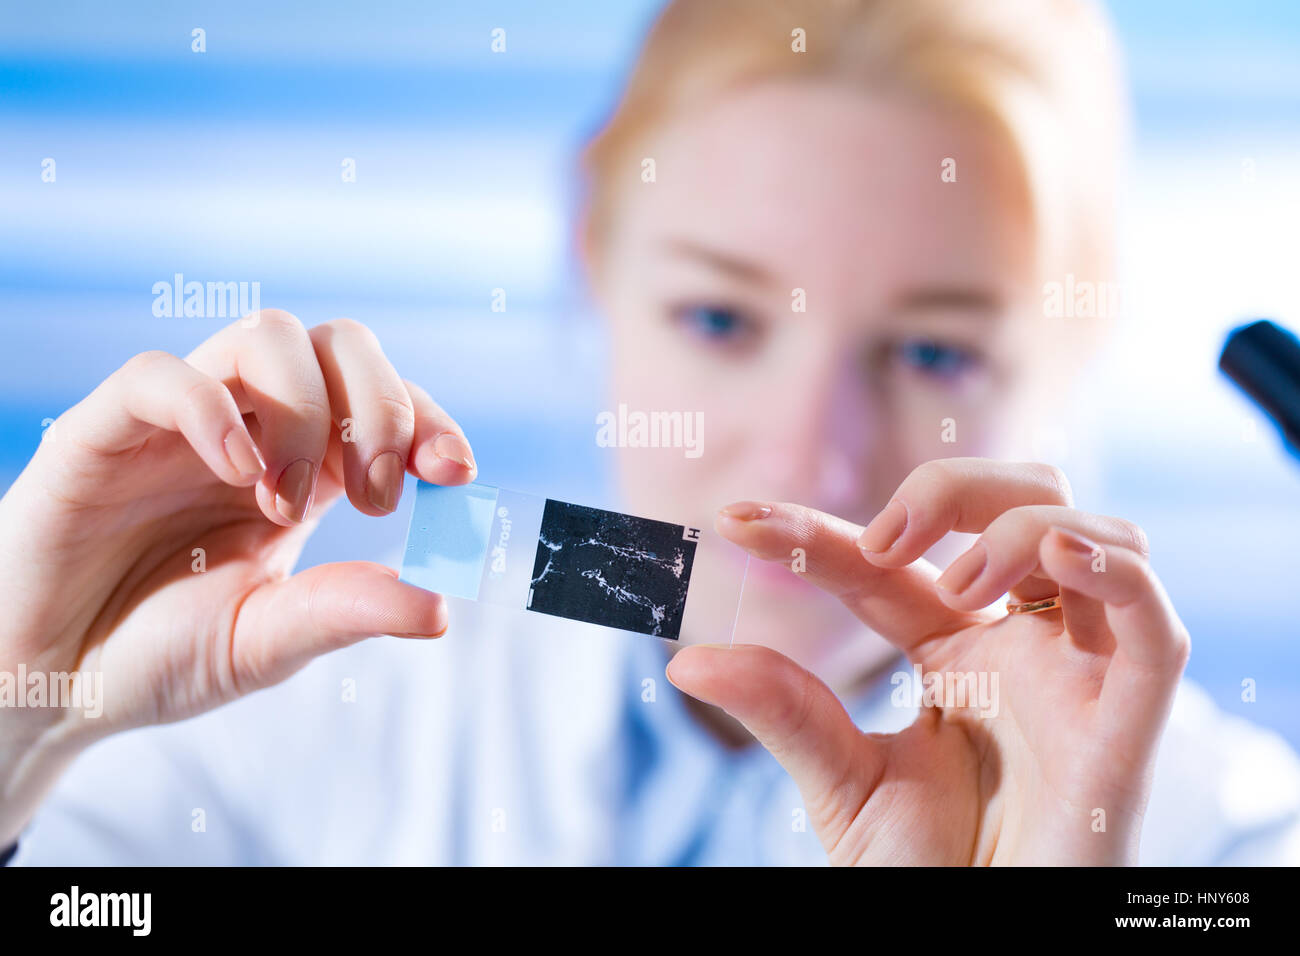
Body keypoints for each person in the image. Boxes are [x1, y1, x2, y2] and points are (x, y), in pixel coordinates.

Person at [2, 0, 1298, 866]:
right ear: (596, 260)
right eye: (723, 321)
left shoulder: (1222, 837)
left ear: (1077, 343)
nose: (810, 457)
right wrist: (19, 699)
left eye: (933, 351)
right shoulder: (326, 672)